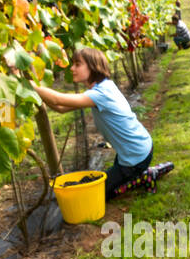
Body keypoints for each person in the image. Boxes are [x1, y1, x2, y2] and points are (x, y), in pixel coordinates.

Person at [34, 48, 155, 198]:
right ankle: (140, 174)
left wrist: (32, 86)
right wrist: (36, 93)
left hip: (136, 156)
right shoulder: (103, 87)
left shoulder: (101, 94)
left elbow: (58, 99)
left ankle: (144, 176)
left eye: (78, 64)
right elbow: (61, 108)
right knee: (105, 185)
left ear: (92, 66)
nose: (72, 68)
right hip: (136, 150)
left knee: (95, 196)